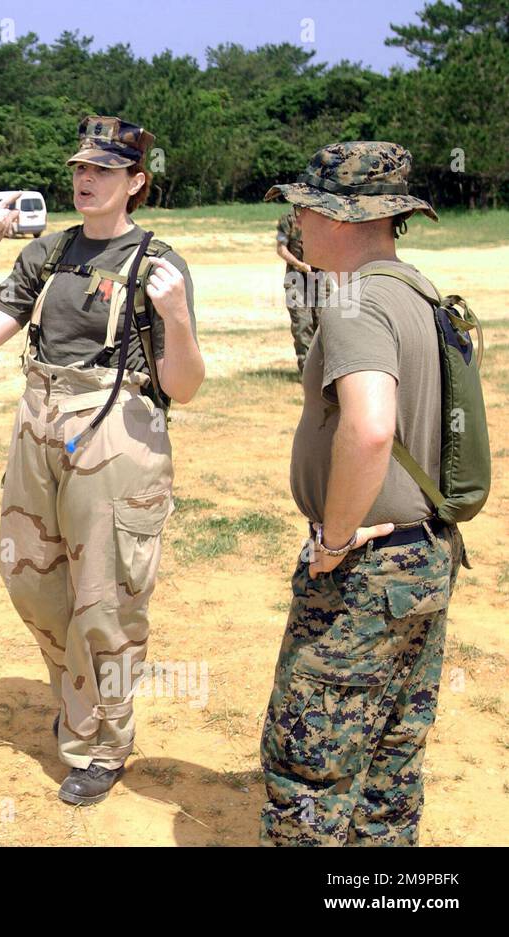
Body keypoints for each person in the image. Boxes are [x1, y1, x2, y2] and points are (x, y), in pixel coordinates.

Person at [0, 115, 205, 805]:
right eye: (79, 167)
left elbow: (183, 386)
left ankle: (105, 743)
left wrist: (179, 316)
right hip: (40, 422)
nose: (86, 178)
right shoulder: (50, 253)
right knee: (29, 576)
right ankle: (80, 700)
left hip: (117, 432)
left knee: (106, 598)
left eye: (103, 170)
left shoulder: (158, 264)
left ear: (137, 182)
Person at [260, 141, 459, 846]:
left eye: (304, 210)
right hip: (424, 561)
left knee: (307, 775)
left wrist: (334, 537)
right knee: (389, 771)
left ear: (339, 218)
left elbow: (372, 429)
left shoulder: (355, 302)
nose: (298, 225)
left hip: (363, 574)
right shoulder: (422, 295)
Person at [275, 208, 323, 372]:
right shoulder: (287, 220)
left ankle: (325, 371)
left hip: (319, 276)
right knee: (302, 323)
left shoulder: (321, 215)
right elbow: (281, 248)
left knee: (324, 322)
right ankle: (307, 371)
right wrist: (300, 265)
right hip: (296, 277)